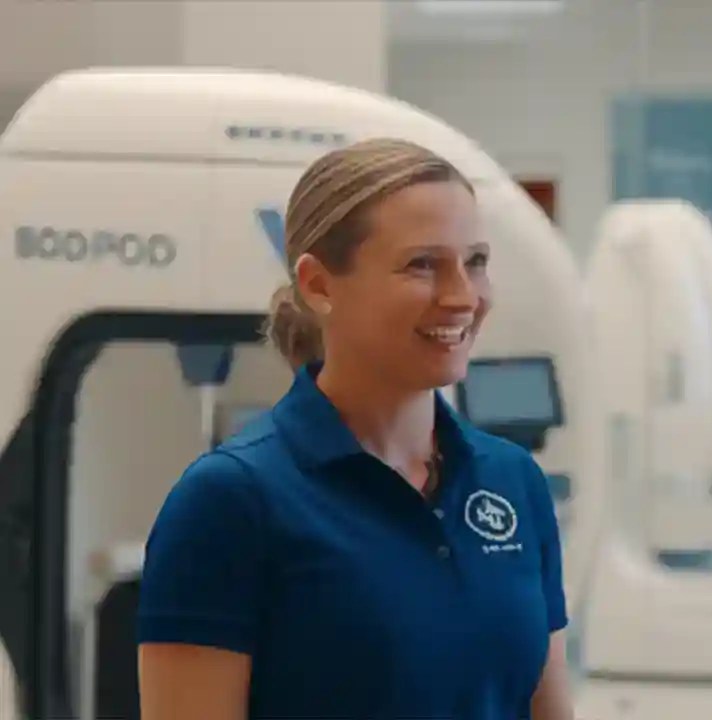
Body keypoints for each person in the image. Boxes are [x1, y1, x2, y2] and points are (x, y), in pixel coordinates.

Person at [135, 137, 576, 720]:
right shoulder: (231, 500)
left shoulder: (513, 482)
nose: (463, 297)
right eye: (423, 265)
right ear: (319, 285)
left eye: (475, 262)